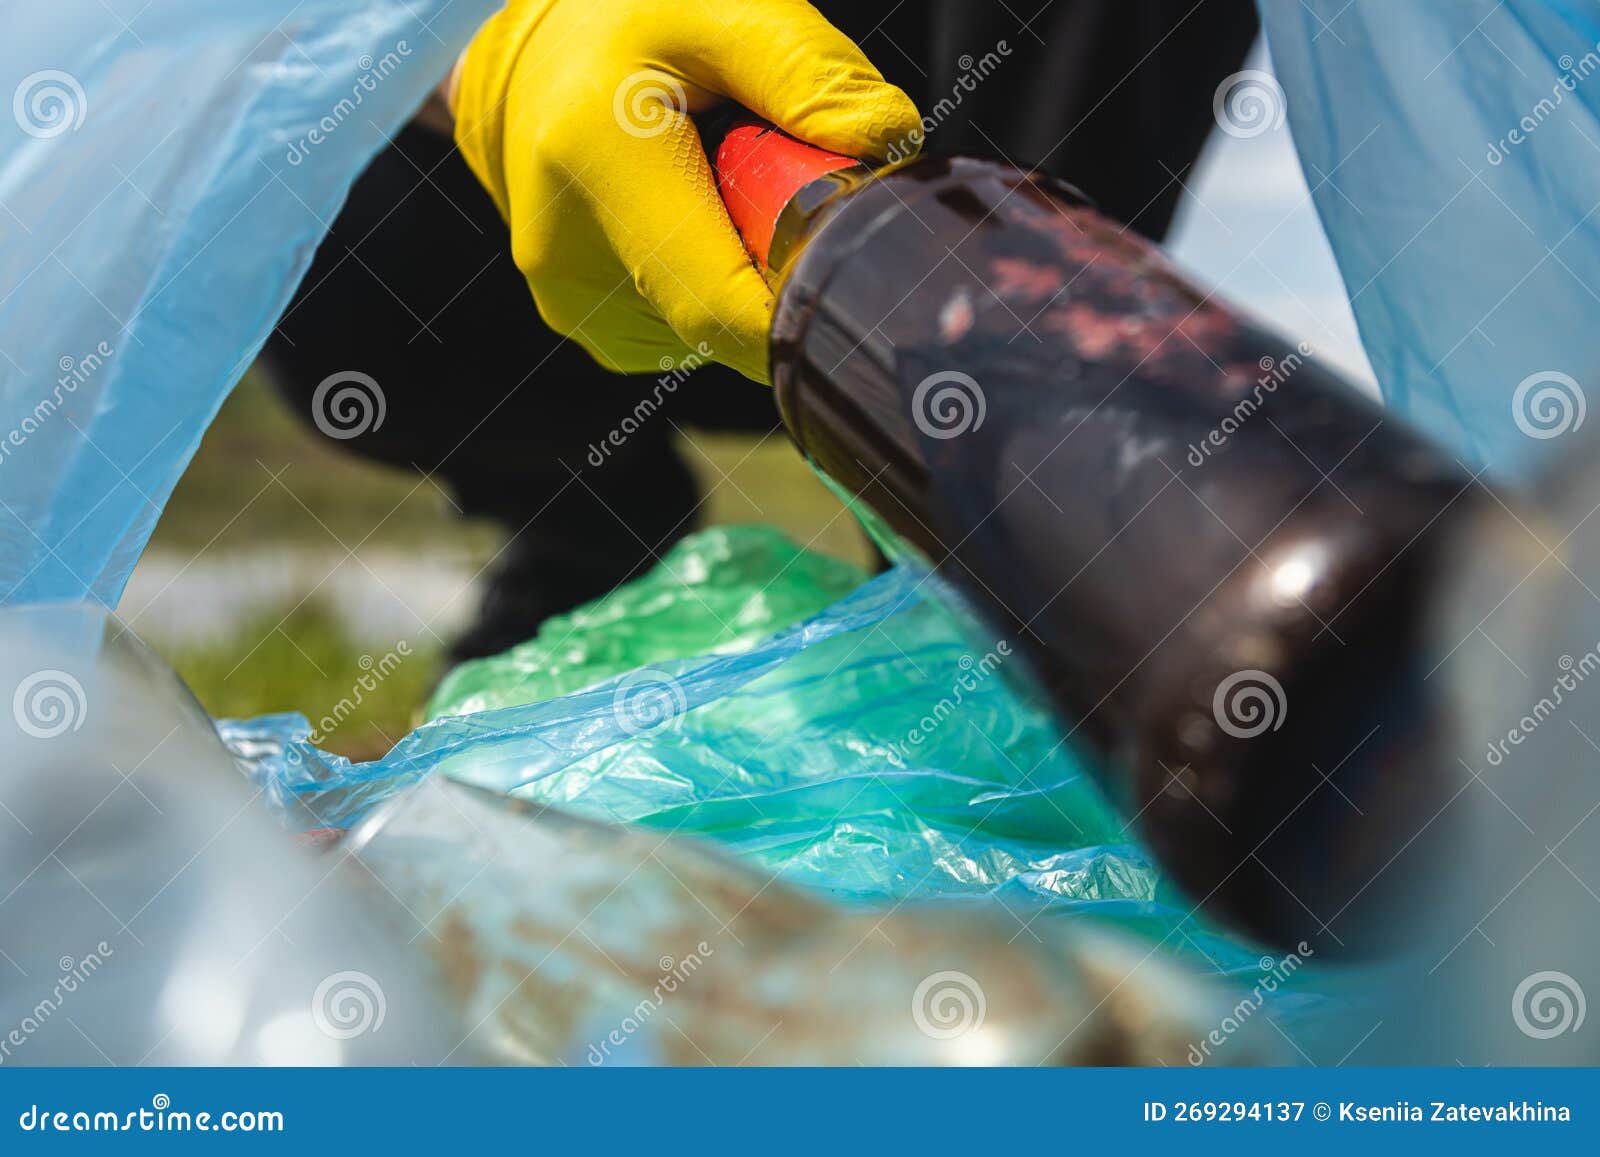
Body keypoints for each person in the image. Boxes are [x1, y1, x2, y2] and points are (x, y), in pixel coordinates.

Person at [260, 0, 1258, 663]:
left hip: (942, 212)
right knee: (345, 278)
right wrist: (492, 52)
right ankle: (587, 535)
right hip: (614, 214)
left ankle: (970, 581)